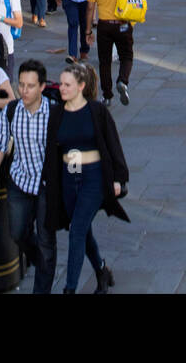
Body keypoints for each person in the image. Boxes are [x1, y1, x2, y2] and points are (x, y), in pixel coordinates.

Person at [42, 61, 128, 294]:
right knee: (81, 230)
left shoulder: (97, 112)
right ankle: (101, 269)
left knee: (78, 230)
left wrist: (119, 179)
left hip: (93, 179)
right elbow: (52, 151)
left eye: (66, 85)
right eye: (61, 84)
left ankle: (70, 289)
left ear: (81, 86)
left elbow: (113, 146)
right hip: (69, 180)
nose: (61, 88)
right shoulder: (57, 114)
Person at [0, 58, 57, 294]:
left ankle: (42, 285)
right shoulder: (12, 109)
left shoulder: (54, 114)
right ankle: (42, 260)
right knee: (17, 233)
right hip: (20, 182)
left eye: (30, 86)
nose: (23, 91)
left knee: (47, 241)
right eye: (21, 85)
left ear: (42, 87)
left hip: (47, 186)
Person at [86, 0, 134, 107]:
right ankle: (123, 80)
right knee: (126, 56)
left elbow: (90, 7)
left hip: (104, 25)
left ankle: (107, 95)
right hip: (123, 23)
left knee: (104, 61)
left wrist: (88, 31)